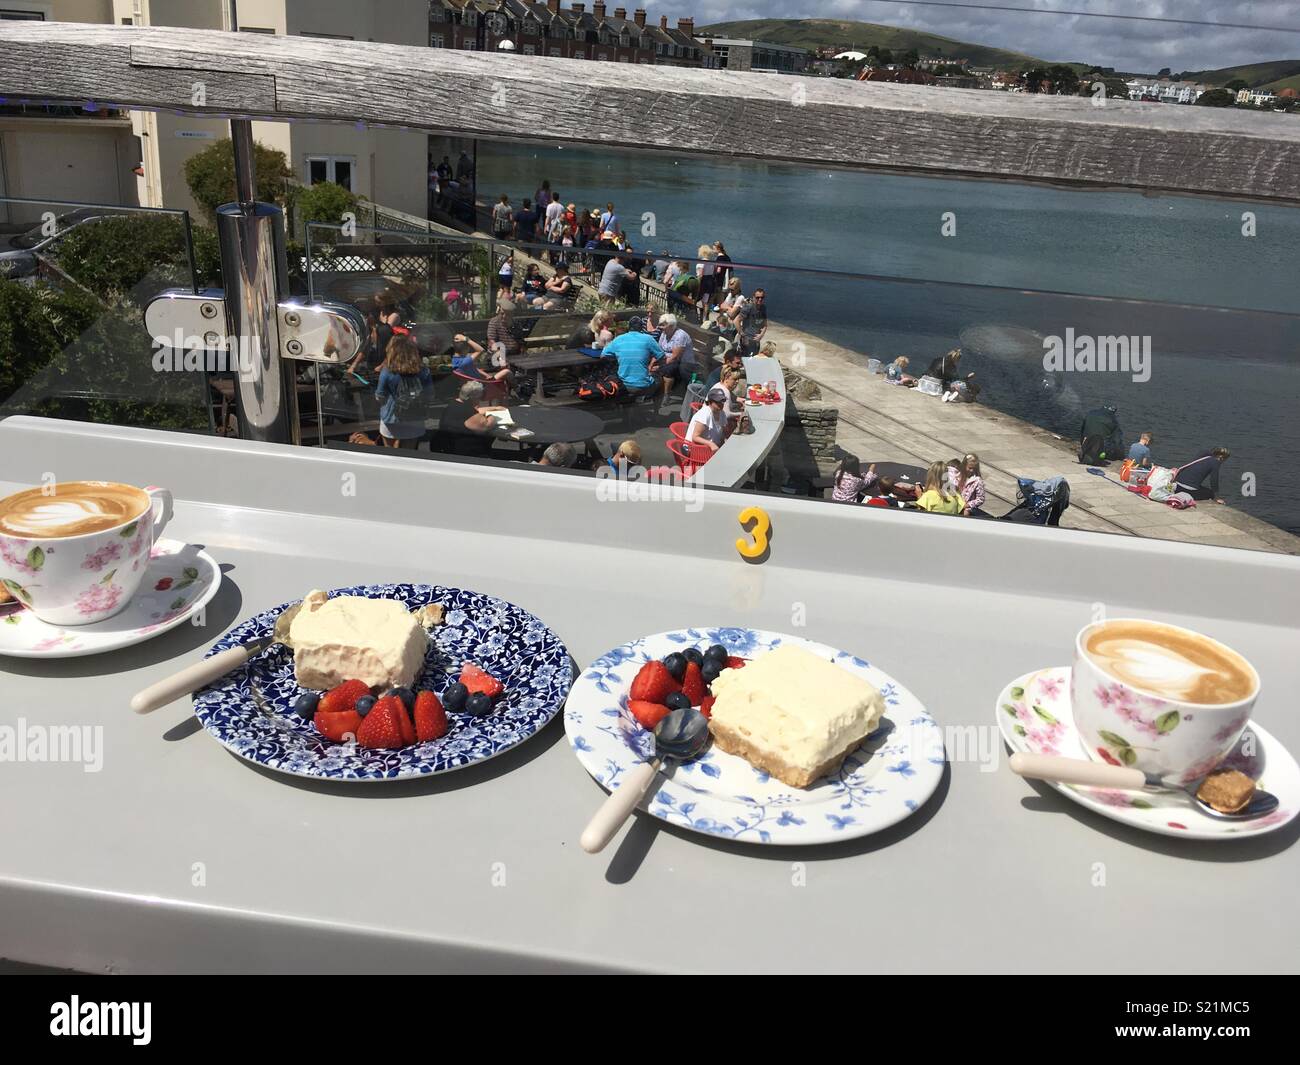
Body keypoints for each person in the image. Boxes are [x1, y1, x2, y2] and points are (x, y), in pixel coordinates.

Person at [374, 335, 433, 450]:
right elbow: (430, 395)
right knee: (409, 455)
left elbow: (379, 397)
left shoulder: (387, 371)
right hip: (415, 418)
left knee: (390, 455)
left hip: (391, 417)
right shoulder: (424, 371)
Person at [439, 379, 507, 456]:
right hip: (465, 450)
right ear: (472, 398)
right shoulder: (468, 411)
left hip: (449, 444)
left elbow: (477, 410)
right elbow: (487, 425)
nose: (481, 400)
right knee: (490, 433)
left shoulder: (455, 404)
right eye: (480, 397)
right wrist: (492, 415)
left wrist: (495, 408)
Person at [604, 320, 661, 396]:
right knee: (659, 377)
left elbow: (603, 355)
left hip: (624, 385)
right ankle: (659, 403)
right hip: (644, 385)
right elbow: (662, 356)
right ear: (641, 328)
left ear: (629, 327)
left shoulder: (619, 339)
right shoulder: (648, 339)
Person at [655, 312, 694, 397]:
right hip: (667, 360)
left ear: (671, 326)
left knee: (668, 369)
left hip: (682, 363)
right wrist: (652, 362)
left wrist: (659, 366)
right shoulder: (664, 333)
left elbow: (675, 357)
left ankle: (666, 396)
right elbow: (658, 350)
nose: (661, 328)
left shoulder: (680, 335)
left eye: (663, 326)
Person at [686, 386, 733, 453]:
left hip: (712, 448)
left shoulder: (721, 412)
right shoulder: (705, 414)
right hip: (696, 449)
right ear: (710, 402)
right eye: (718, 402)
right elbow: (695, 437)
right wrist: (711, 444)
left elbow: (724, 431)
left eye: (722, 401)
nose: (721, 404)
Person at [732, 287, 768, 355]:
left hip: (756, 341)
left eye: (762, 297)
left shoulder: (763, 308)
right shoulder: (748, 307)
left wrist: (761, 335)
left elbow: (765, 324)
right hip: (747, 340)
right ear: (753, 297)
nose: (760, 299)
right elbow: (736, 321)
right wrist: (742, 334)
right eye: (757, 297)